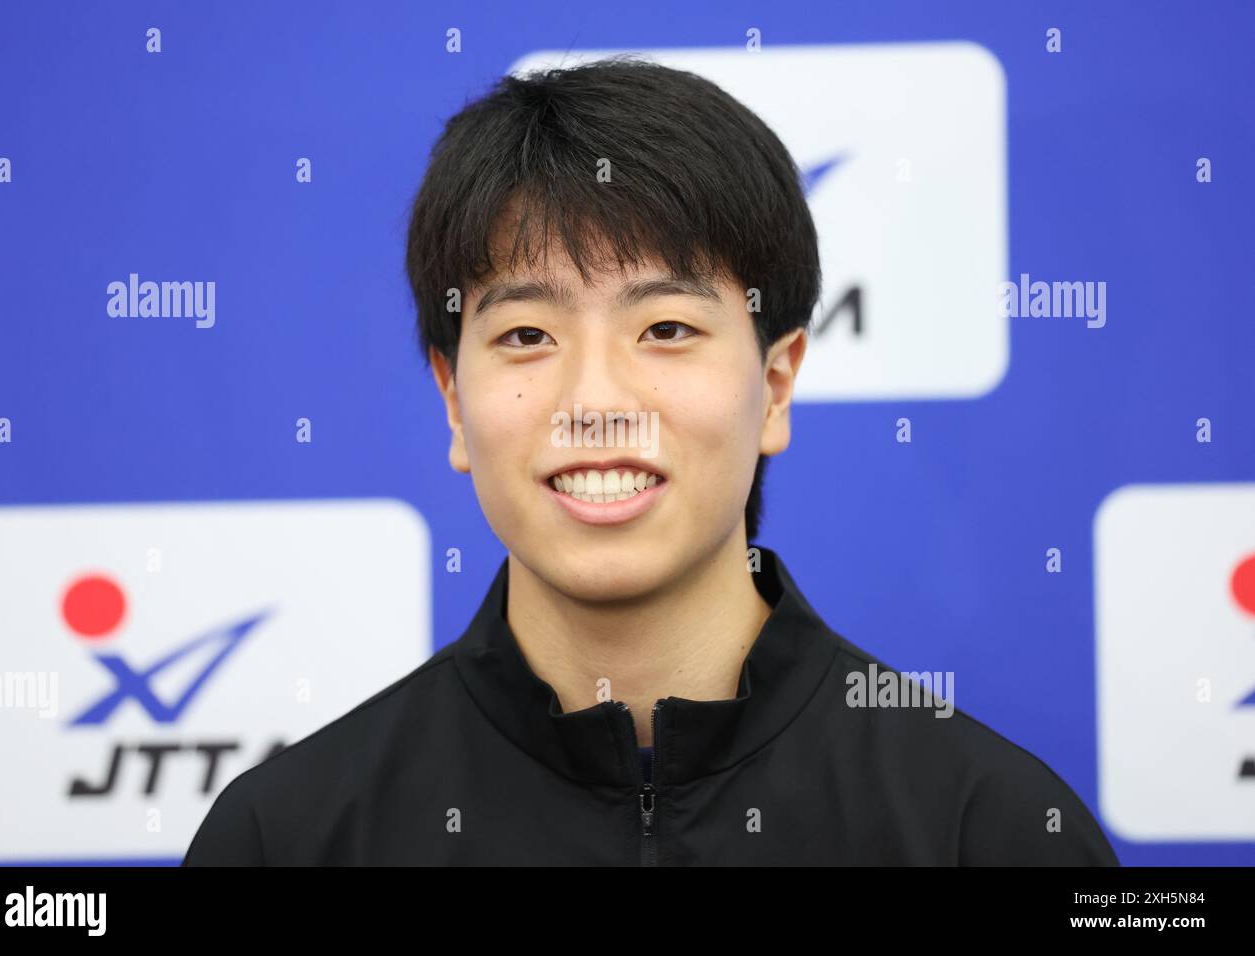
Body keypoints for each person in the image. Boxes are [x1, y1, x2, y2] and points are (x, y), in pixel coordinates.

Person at [183, 56, 1118, 865]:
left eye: (666, 327)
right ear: (452, 399)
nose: (595, 404)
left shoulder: (986, 830)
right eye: (526, 335)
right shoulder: (290, 839)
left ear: (777, 384)